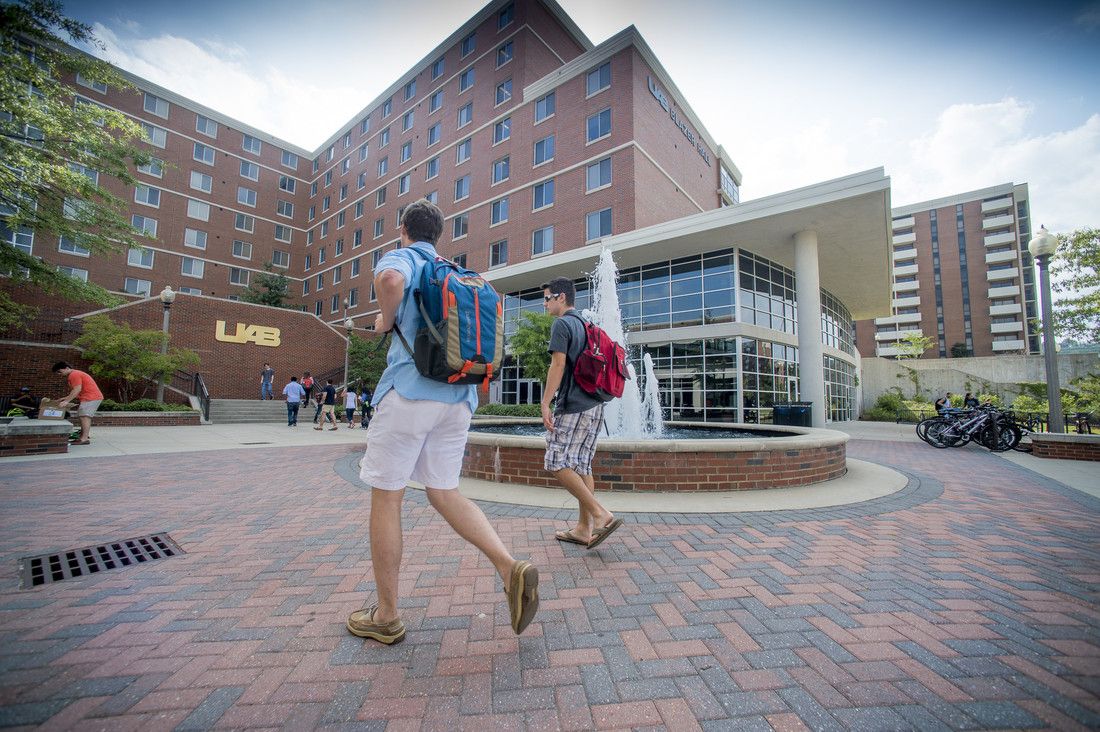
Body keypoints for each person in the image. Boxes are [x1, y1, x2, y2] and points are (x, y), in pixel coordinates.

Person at [348, 199, 538, 645]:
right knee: (444, 491)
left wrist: (387, 319)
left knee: (387, 497)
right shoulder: (456, 270)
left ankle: (387, 614)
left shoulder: (405, 258)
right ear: (440, 236)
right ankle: (509, 568)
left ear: (403, 230)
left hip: (412, 391)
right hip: (460, 396)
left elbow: (390, 279)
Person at [540, 277, 623, 549]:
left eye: (548, 298)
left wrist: (545, 402)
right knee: (582, 465)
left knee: (556, 461)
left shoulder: (562, 324)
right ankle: (583, 528)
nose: (545, 303)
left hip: (574, 404)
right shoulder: (588, 325)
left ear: (561, 297)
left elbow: (558, 364)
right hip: (595, 406)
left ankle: (601, 514)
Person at [51, 361, 104, 445]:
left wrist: (66, 401)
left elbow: (77, 389)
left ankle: (84, 439)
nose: (59, 374)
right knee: (82, 416)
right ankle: (83, 436)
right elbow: (77, 391)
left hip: (91, 397)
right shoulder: (75, 374)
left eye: (59, 371)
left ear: (67, 368)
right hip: (89, 397)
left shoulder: (74, 374)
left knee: (84, 416)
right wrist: (64, 398)